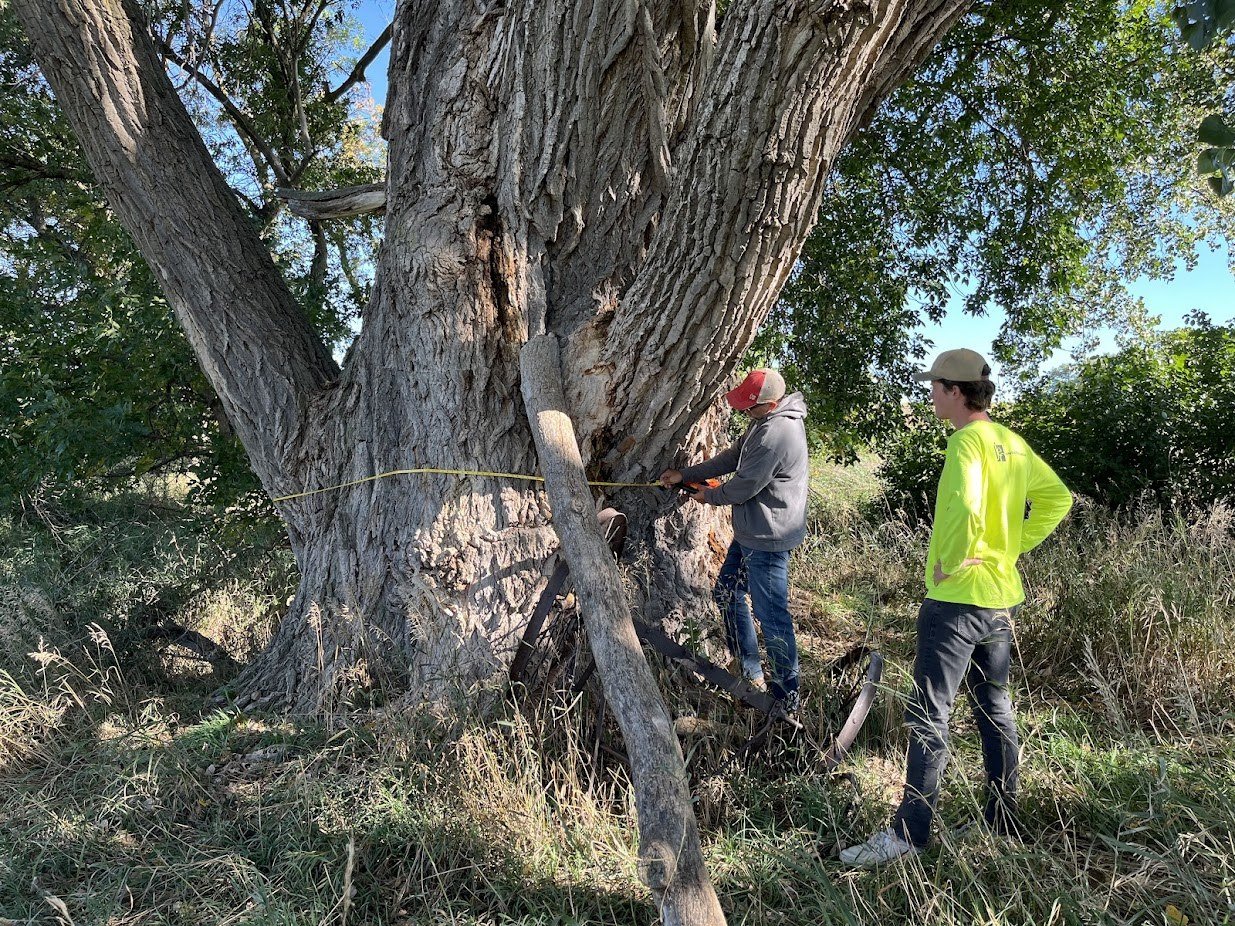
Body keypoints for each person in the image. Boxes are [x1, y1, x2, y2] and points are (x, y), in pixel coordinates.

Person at [840, 349, 1073, 867]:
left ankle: (908, 835)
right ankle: (1001, 817)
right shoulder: (1011, 442)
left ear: (953, 390)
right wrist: (1010, 549)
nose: (929, 394)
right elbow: (1058, 499)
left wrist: (952, 561)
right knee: (994, 706)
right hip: (999, 599)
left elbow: (967, 505)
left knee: (929, 712)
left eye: (934, 386)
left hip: (955, 599)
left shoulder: (966, 443)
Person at [660, 368, 809, 712]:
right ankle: (750, 671)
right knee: (727, 592)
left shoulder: (777, 434)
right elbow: (732, 458)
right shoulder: (761, 424)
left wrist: (707, 497)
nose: (743, 411)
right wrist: (688, 475)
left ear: (770, 404)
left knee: (772, 616)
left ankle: (787, 697)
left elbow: (743, 486)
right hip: (751, 533)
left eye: (748, 407)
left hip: (767, 539)